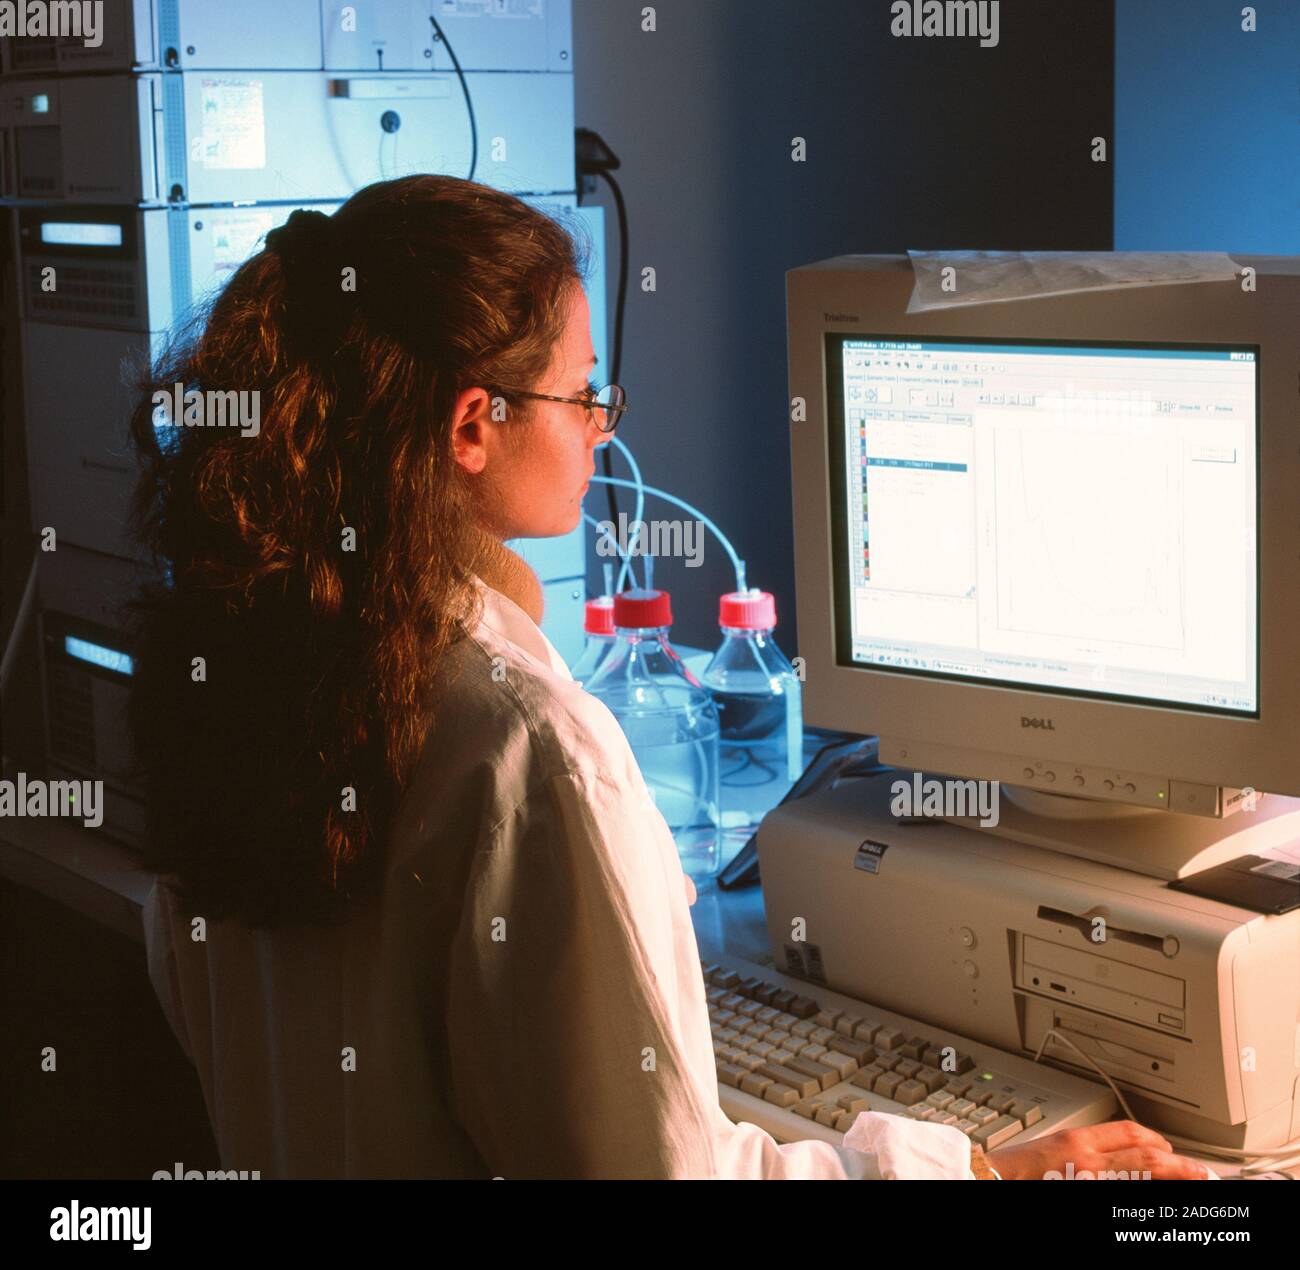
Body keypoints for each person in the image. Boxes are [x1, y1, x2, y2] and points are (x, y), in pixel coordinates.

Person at [131, 173, 1210, 1180]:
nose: (602, 427)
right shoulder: (527, 746)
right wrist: (974, 1167)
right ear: (473, 426)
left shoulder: (236, 670)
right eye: (581, 394)